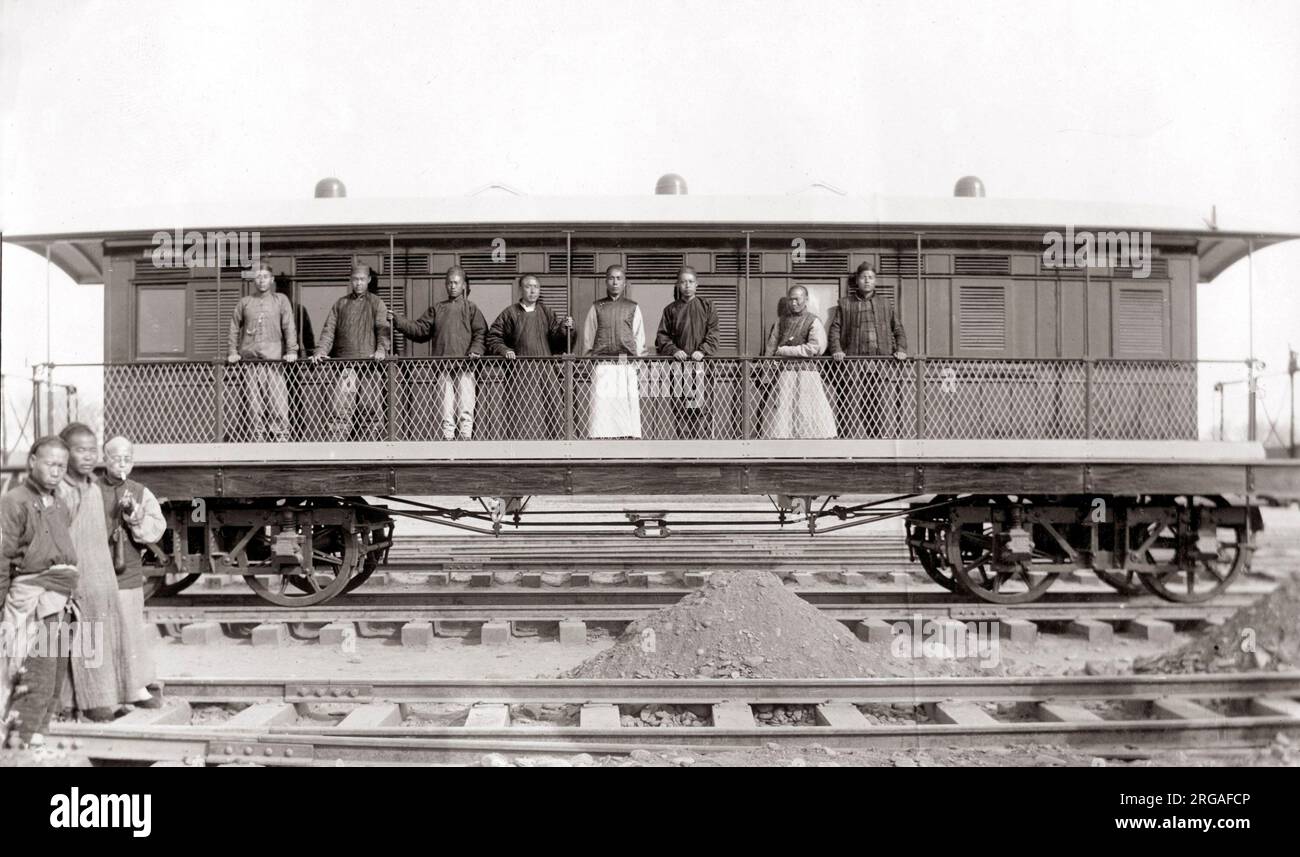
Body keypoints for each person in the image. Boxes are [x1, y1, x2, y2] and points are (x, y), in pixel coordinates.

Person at [0, 436, 79, 748]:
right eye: (50, 463)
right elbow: (2, 555)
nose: (56, 470)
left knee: (55, 666)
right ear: (32, 461)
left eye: (61, 465)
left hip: (59, 596)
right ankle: (20, 735)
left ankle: (39, 730)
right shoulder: (14, 501)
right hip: (33, 596)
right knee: (36, 666)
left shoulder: (58, 502)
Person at [56, 423, 127, 721]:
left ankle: (97, 700)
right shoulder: (61, 492)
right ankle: (86, 704)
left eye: (92, 450)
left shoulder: (94, 490)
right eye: (79, 450)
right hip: (74, 578)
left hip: (99, 576)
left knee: (99, 635)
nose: (88, 456)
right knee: (73, 640)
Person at [99, 436, 166, 709]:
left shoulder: (140, 491)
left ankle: (136, 686)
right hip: (96, 574)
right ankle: (102, 691)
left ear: (134, 461)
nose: (122, 463)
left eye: (127, 458)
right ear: (105, 459)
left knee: (130, 630)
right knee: (96, 631)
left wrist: (134, 513)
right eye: (116, 457)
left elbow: (155, 529)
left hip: (126, 574)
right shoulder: (90, 490)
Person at [389, 266, 487, 440]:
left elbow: (480, 333)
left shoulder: (471, 309)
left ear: (464, 285)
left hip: (466, 366)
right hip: (443, 366)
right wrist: (398, 321)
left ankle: (466, 438)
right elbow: (419, 330)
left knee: (466, 405)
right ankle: (448, 439)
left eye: (456, 283)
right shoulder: (437, 309)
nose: (452, 286)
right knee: (445, 406)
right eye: (449, 283)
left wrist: (475, 350)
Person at [485, 275, 573, 438]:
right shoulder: (510, 313)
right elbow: (493, 337)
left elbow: (556, 341)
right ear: (521, 289)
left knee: (550, 409)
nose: (532, 291)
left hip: (545, 370)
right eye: (528, 286)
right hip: (521, 372)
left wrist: (564, 329)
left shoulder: (546, 312)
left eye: (536, 287)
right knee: (521, 411)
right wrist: (504, 350)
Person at [311, 263, 390, 441]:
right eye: (355, 279)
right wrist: (320, 351)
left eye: (362, 279)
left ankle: (368, 448)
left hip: (369, 368)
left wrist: (381, 350)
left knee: (369, 408)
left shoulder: (377, 303)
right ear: (351, 280)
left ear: (368, 280)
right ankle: (338, 448)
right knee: (340, 410)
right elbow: (328, 331)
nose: (358, 283)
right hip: (345, 368)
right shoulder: (341, 304)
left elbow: (383, 330)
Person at [828, 262, 908, 437]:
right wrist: (837, 350)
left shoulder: (885, 304)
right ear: (857, 280)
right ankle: (847, 444)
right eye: (863, 277)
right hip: (853, 364)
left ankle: (877, 442)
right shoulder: (845, 303)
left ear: (875, 281)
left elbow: (898, 330)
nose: (867, 281)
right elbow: (835, 329)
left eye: (870, 277)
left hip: (879, 364)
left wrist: (901, 349)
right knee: (849, 405)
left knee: (877, 404)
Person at [227, 260, 298, 442]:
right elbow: (234, 327)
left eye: (265, 277)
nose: (261, 281)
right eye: (258, 277)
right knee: (253, 404)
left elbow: (289, 326)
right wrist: (232, 351)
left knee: (277, 403)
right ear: (253, 280)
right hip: (251, 362)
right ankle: (257, 439)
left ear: (271, 279)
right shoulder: (245, 302)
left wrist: (291, 350)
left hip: (273, 362)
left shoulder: (280, 300)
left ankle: (281, 439)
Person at [761, 285, 837, 438]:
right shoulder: (781, 321)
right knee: (783, 409)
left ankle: (810, 447)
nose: (794, 303)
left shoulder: (813, 321)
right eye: (791, 299)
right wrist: (766, 371)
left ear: (806, 299)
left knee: (807, 408)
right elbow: (771, 347)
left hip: (807, 374)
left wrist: (786, 351)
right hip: (785, 374)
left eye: (797, 299)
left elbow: (816, 348)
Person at [581, 265, 646, 438]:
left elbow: (639, 337)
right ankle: (601, 442)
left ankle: (627, 441)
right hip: (602, 365)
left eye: (619, 278)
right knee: (603, 409)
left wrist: (638, 363)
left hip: (626, 365)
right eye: (611, 278)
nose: (615, 282)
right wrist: (589, 363)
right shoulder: (597, 307)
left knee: (625, 408)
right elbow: (589, 336)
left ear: (624, 282)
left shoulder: (633, 307)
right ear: (605, 282)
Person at [654, 267, 719, 438]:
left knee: (701, 409)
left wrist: (703, 351)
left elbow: (713, 333)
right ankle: (683, 449)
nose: (687, 285)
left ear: (696, 284)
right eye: (683, 282)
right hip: (679, 370)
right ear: (678, 285)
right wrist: (674, 350)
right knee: (680, 409)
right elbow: (662, 336)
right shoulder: (670, 310)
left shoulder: (707, 306)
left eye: (690, 282)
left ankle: (701, 452)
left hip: (701, 368)